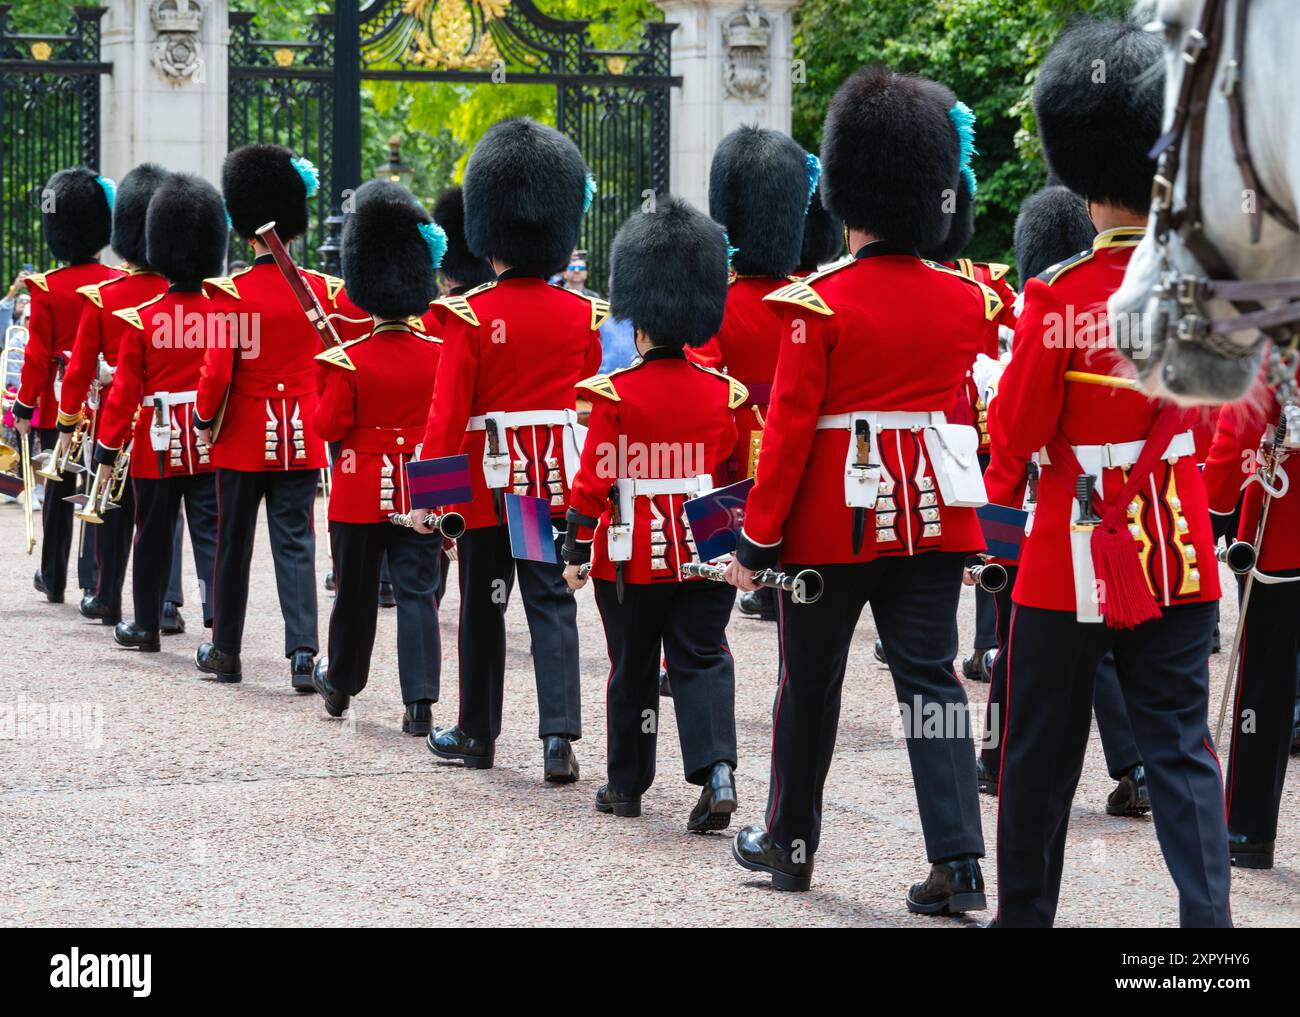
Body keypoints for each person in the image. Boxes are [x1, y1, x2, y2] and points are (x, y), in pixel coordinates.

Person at [725, 66, 997, 913]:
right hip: (931, 522)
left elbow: (793, 434)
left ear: (846, 199)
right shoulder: (965, 299)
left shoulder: (820, 304)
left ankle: (791, 842)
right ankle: (958, 856)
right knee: (935, 685)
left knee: (810, 684)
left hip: (830, 528)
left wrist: (756, 540)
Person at [985, 19, 1229, 927]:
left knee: (1039, 759)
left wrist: (992, 521)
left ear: (1085, 178)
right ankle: (1209, 937)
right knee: (1181, 749)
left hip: (1070, 549)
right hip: (1174, 543)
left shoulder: (1056, 294)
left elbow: (1014, 434)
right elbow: (1212, 426)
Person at [411, 117, 602, 782]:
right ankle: (558, 739)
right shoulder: (580, 314)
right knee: (550, 599)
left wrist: (430, 504)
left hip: (485, 486)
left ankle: (477, 733)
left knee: (484, 604)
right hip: (543, 482)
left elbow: (446, 414)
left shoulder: (467, 315)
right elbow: (584, 406)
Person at [562, 195, 743, 830]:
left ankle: (627, 784)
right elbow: (726, 461)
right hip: (707, 540)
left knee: (632, 665)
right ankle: (717, 769)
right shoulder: (722, 391)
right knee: (702, 654)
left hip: (632, 550)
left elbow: (593, 480)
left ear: (639, 323)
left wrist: (576, 549)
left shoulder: (616, 394)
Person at [977, 185, 1149, 819]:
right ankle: (1132, 762)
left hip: (1056, 500)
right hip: (1134, 502)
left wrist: (989, 522)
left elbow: (1015, 435)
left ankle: (998, 759)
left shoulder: (1042, 303)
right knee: (1099, 631)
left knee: (1021, 636)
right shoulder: (1101, 296)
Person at [192, 144, 364, 687]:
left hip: (243, 439)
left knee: (233, 544)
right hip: (301, 437)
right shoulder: (322, 292)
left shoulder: (231, 293)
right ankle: (302, 654)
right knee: (296, 543)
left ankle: (227, 649)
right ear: (294, 225)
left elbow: (217, 373)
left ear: (246, 230)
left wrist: (201, 422)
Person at [310, 181, 445, 735]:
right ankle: (419, 704)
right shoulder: (439, 354)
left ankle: (341, 685)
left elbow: (328, 426)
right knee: (418, 593)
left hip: (359, 483)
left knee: (355, 593)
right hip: (423, 484)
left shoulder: (346, 358)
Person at [689, 125, 820, 625]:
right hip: (799, 431)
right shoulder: (808, 296)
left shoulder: (719, 295)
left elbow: (703, 370)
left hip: (735, 434)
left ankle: (700, 643)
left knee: (720, 547)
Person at [90, 173, 224, 652]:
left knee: (152, 536)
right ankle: (219, 623)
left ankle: (146, 625)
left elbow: (125, 393)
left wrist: (106, 448)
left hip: (156, 444)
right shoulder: (222, 315)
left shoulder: (142, 319)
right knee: (213, 534)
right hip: (209, 441)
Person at [56, 163, 178, 630]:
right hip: (171, 424)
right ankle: (167, 602)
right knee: (164, 518)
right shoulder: (177, 292)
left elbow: (81, 369)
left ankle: (108, 596)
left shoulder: (105, 296)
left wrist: (67, 425)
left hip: (115, 417)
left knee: (111, 507)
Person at [919, 167, 1019, 680]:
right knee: (980, 533)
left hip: (941, 428)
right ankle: (984, 643)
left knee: (950, 538)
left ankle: (967, 643)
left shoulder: (978, 282)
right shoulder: (985, 283)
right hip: (972, 429)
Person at [1203, 376, 1300, 869]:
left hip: (1286, 531)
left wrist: (1212, 512)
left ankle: (1247, 828)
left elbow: (1241, 420)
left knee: (1265, 681)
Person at [11, 168, 119, 605]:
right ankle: (93, 579)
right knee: (97, 480)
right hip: (106, 398)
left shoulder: (47, 288)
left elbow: (36, 357)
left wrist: (22, 407)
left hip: (60, 398)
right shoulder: (117, 283)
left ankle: (52, 576)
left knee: (57, 486)